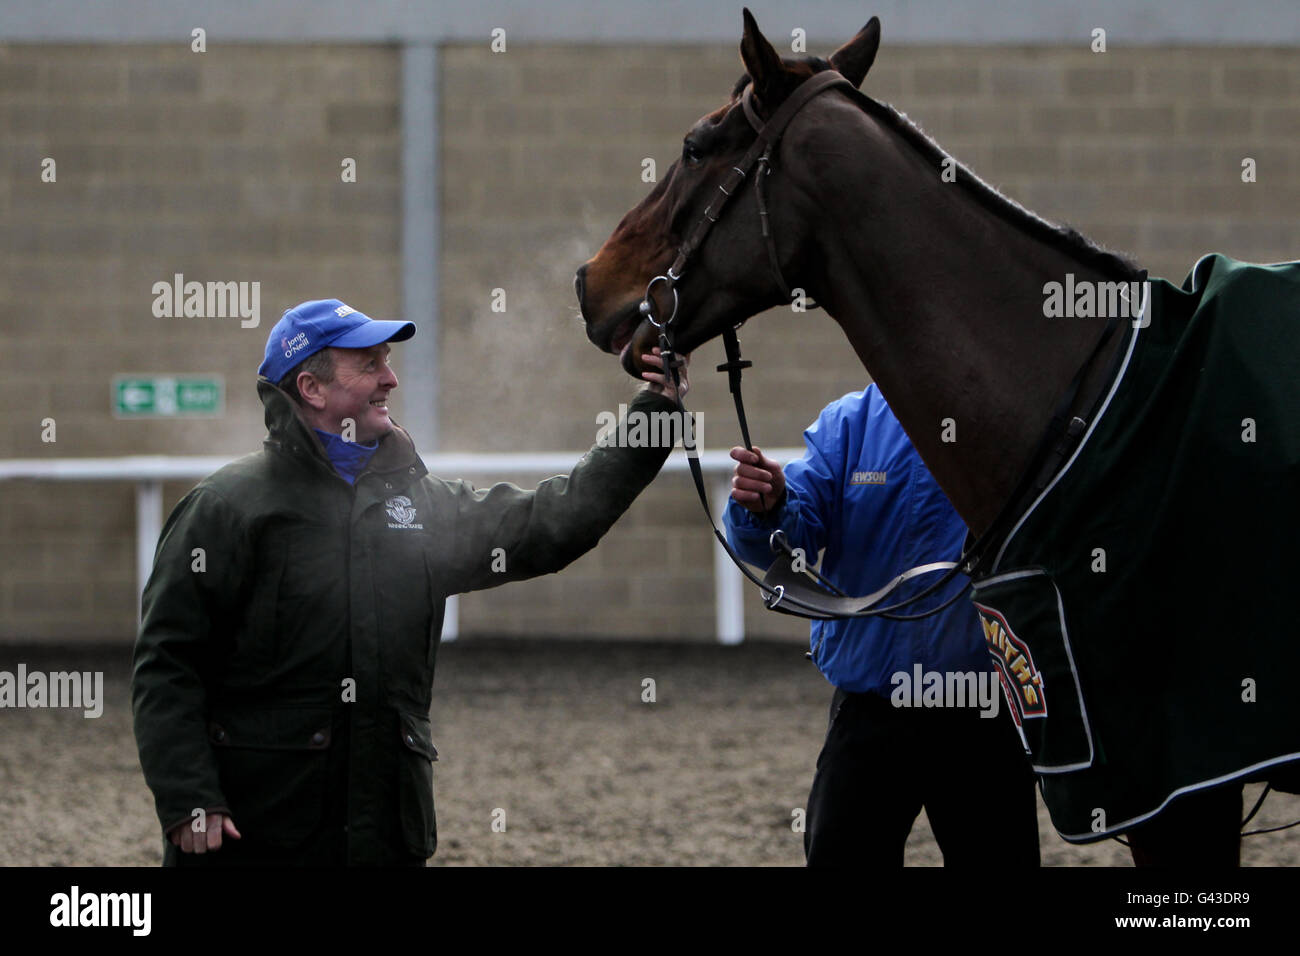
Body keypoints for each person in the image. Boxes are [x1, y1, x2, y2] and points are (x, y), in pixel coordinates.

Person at [131, 298, 689, 866]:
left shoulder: (423, 506)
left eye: (387, 361)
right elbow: (167, 663)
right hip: (252, 841)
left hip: (385, 839)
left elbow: (558, 520)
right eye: (369, 364)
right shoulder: (225, 508)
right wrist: (188, 798)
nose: (390, 379)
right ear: (312, 388)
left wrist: (657, 410)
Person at [723, 385, 1039, 866]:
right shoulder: (851, 421)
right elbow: (791, 535)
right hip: (871, 707)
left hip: (984, 707)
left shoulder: (1017, 415)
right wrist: (768, 506)